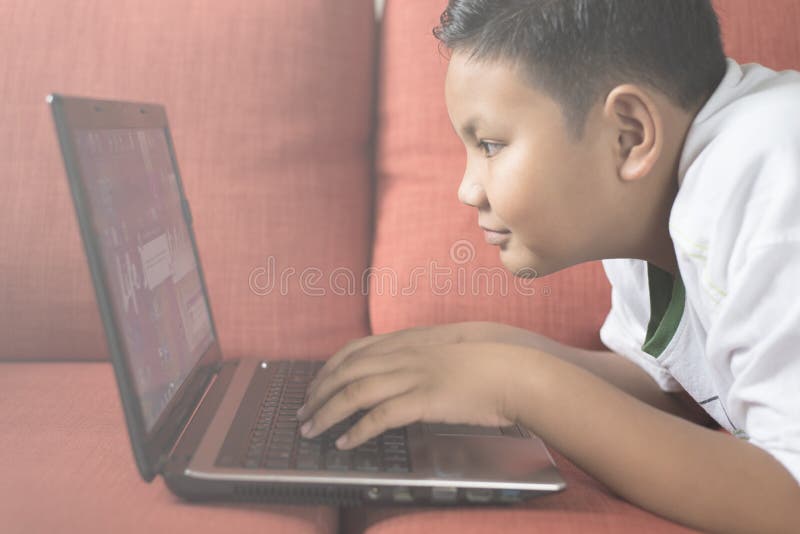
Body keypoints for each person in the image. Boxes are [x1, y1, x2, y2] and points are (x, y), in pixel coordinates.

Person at [296, 1, 800, 531]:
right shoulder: (652, 208)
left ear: (628, 134)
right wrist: (482, 348)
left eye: (490, 144)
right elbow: (670, 390)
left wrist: (517, 384)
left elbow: (789, 500)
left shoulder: (771, 184)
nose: (467, 190)